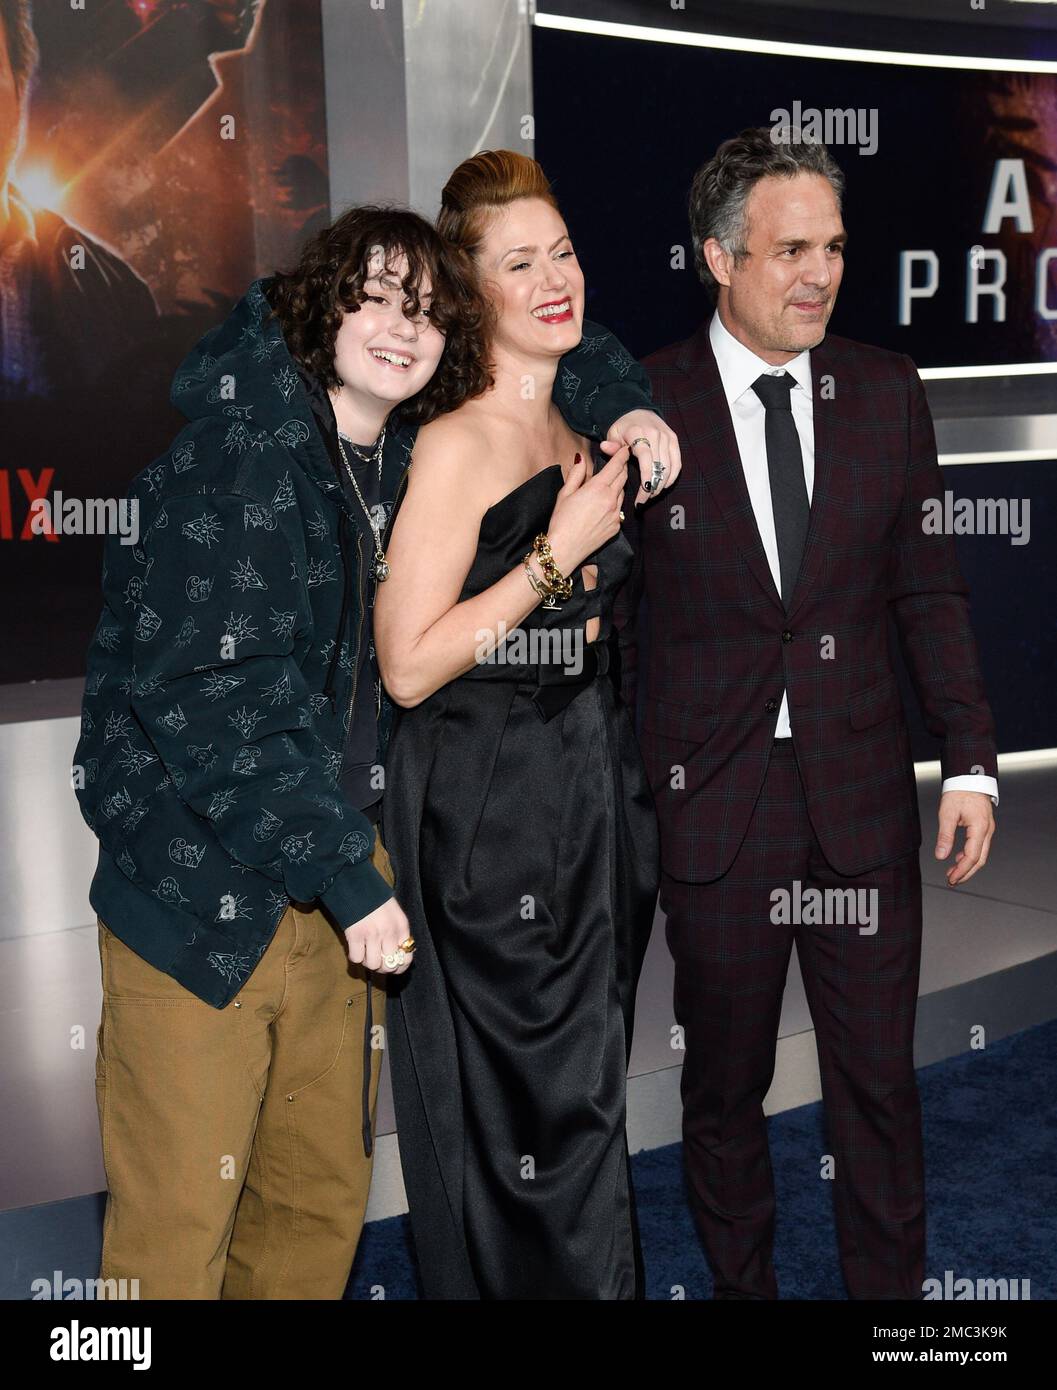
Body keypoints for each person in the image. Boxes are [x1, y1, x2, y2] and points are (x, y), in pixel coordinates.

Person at [72, 201, 668, 1299]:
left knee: (312, 1216)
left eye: (429, 313)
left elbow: (556, 338)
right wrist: (350, 877)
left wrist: (626, 401)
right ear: (321, 308)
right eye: (378, 300)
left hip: (339, 889)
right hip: (205, 901)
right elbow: (217, 703)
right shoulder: (236, 458)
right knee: (171, 1241)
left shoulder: (390, 449)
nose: (404, 328)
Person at [617, 126, 999, 1300]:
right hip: (716, 811)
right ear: (717, 257)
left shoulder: (884, 389)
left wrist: (970, 761)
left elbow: (927, 589)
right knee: (723, 1089)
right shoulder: (644, 402)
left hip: (860, 800)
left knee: (878, 1084)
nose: (820, 274)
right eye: (791, 250)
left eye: (832, 247)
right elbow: (614, 626)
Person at [374, 150, 677, 1300]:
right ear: (470, 290)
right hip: (491, 822)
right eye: (519, 263)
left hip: (593, 810)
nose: (555, 280)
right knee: (536, 1111)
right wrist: (555, 555)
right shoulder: (455, 444)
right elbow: (408, 666)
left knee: (586, 1095)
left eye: (563, 252)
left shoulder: (579, 431)